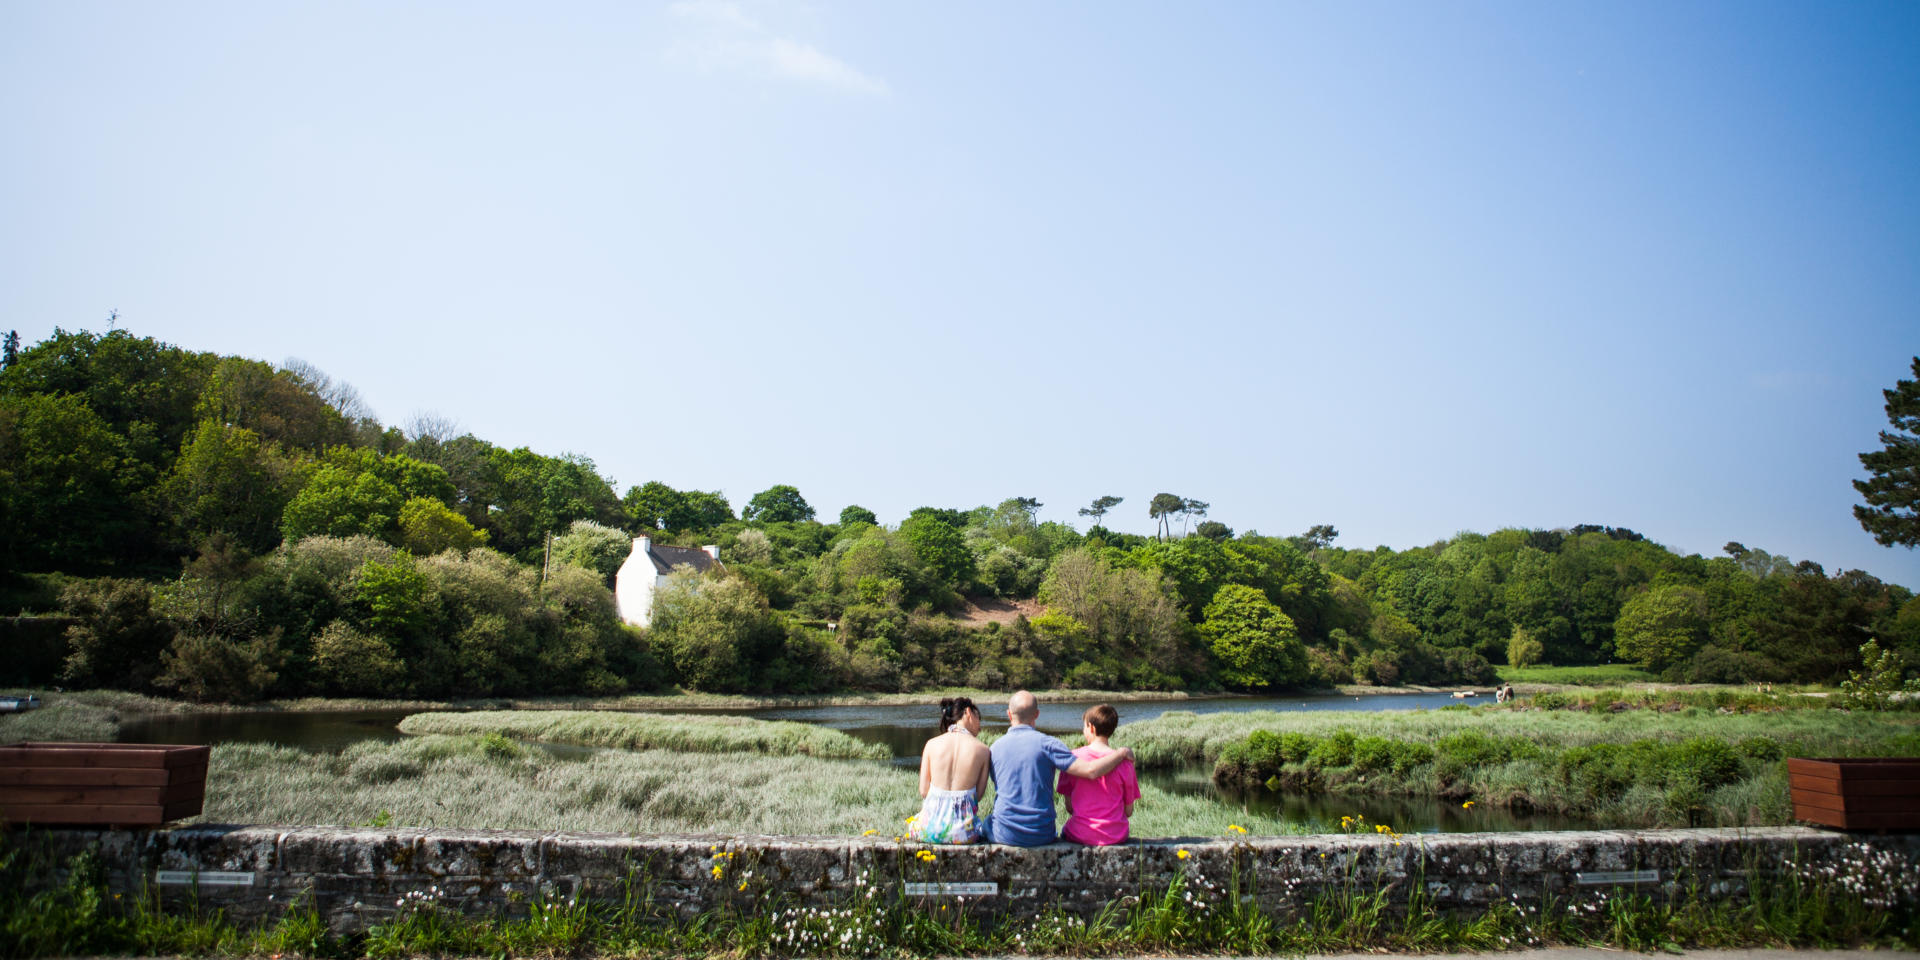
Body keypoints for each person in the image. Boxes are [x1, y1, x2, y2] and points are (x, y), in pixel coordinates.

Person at [986, 690, 1134, 846]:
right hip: (1042, 832)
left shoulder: (995, 747)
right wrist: (1121, 753)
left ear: (1009, 714)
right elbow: (1090, 770)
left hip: (1005, 834)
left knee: (987, 823)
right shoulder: (1049, 744)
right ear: (1037, 714)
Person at [908, 697, 990, 844]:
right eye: (979, 718)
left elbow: (924, 791)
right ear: (968, 712)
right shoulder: (983, 750)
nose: (980, 726)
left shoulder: (931, 744)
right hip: (965, 833)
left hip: (927, 830)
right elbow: (978, 795)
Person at [1058, 704, 1139, 846]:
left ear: (1091, 728)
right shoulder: (1126, 764)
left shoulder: (1072, 759)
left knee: (1064, 832)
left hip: (1080, 833)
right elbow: (1129, 811)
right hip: (1116, 835)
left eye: (1084, 727)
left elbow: (1069, 807)